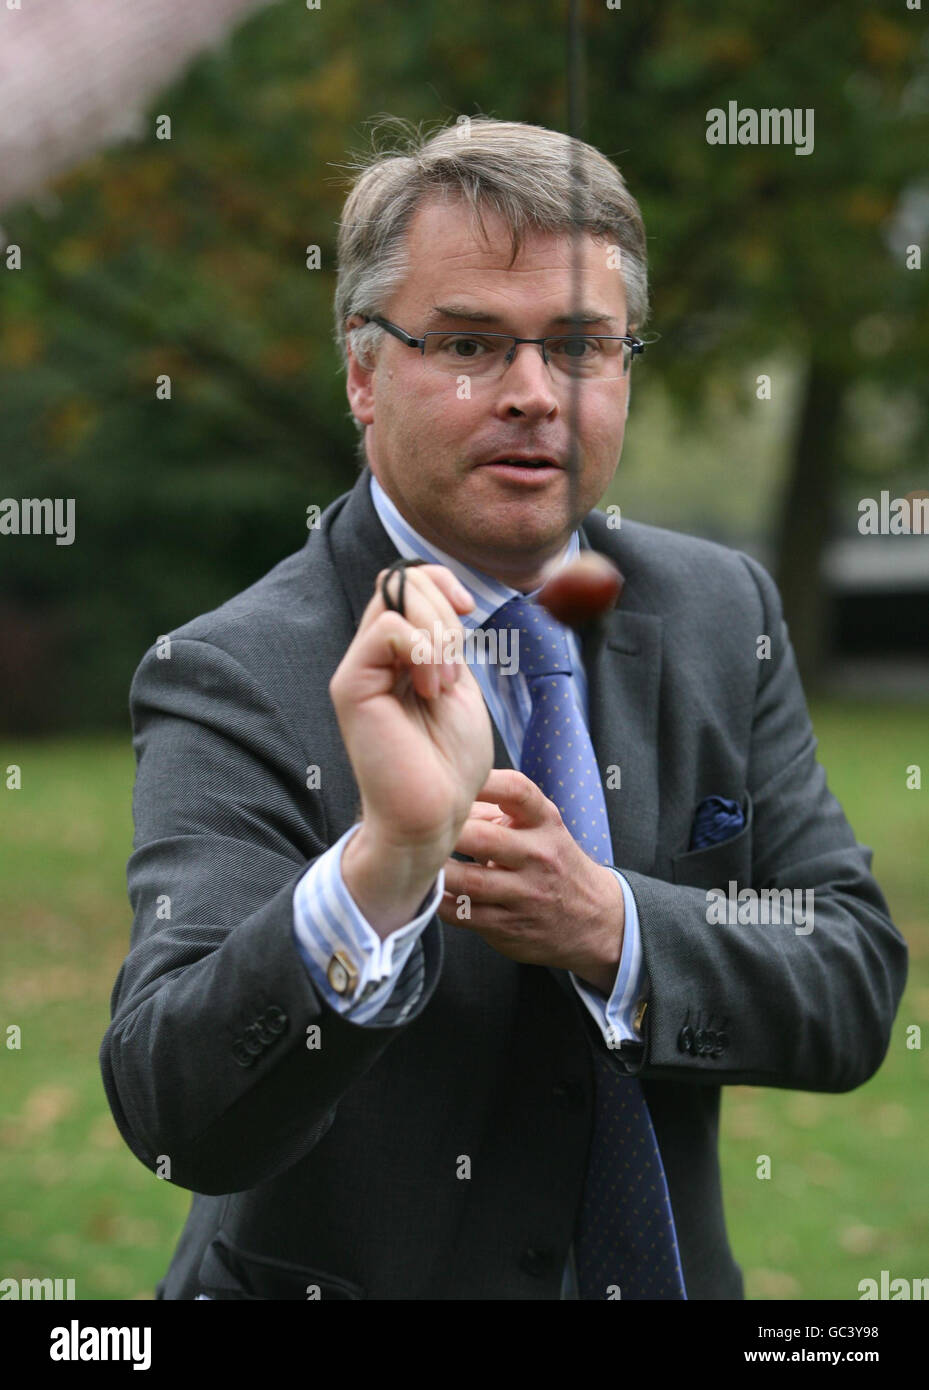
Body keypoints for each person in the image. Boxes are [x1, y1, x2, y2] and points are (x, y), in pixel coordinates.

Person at [100, 116, 908, 1300]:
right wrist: (383, 865)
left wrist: (610, 924)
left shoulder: (711, 608)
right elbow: (178, 1110)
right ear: (363, 371)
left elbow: (847, 983)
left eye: (579, 345)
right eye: (470, 342)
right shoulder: (232, 668)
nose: (533, 394)